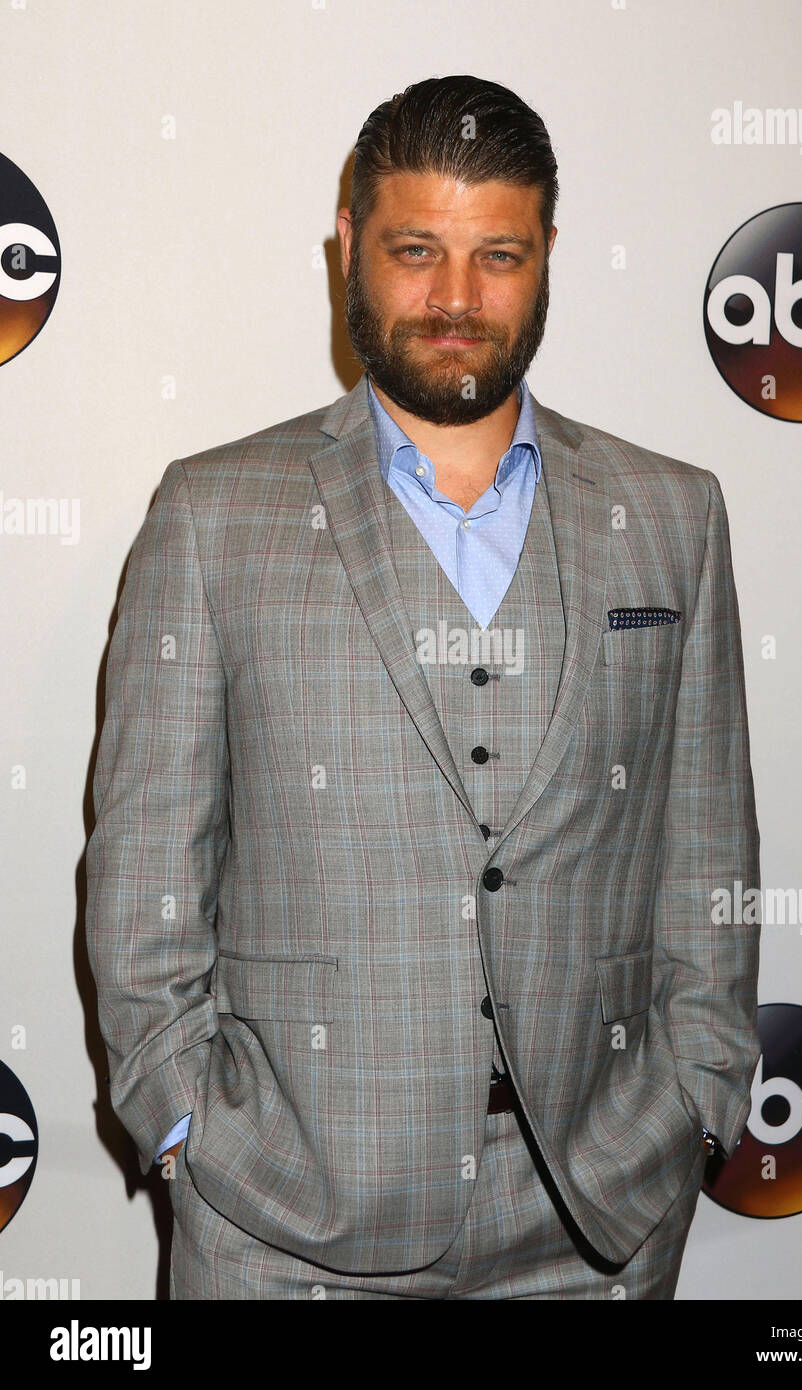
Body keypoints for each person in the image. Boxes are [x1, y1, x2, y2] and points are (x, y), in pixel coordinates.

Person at [86, 74, 761, 1300]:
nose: (455, 299)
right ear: (348, 245)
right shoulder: (212, 514)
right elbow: (144, 878)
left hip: (595, 1223)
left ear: (547, 252)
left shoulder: (673, 515)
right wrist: (186, 1125)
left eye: (497, 254)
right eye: (414, 250)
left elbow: (707, 854)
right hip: (284, 1225)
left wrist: (695, 1101)